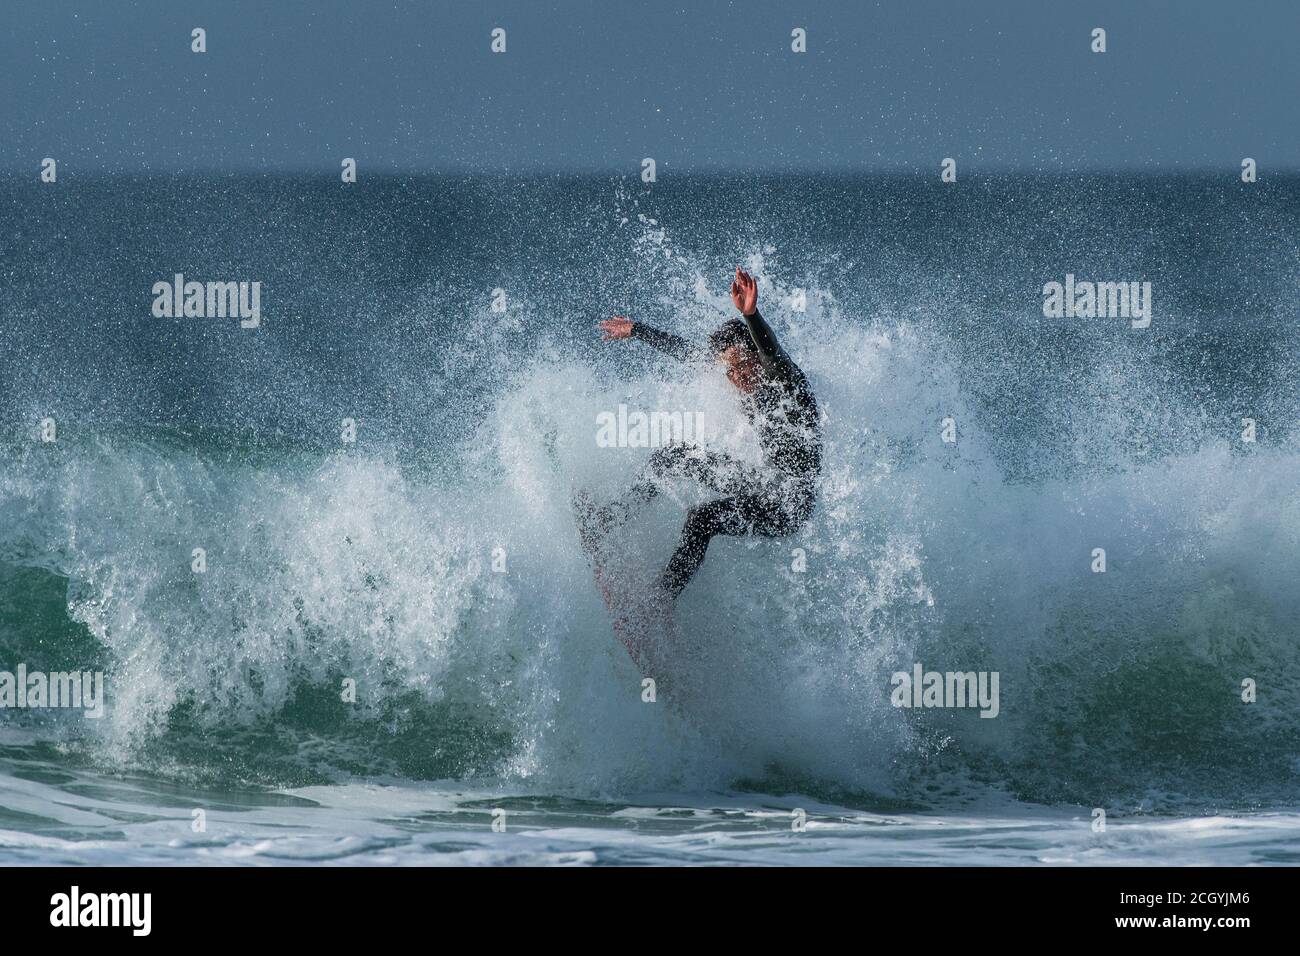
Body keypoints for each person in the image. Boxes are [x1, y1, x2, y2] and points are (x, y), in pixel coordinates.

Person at [588, 268, 821, 598]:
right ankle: (610, 520)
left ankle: (662, 599)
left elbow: (772, 351)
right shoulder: (737, 377)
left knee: (702, 519)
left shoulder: (784, 380)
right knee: (674, 455)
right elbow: (687, 353)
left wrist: (752, 316)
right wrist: (637, 330)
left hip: (790, 505)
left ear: (755, 356)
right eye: (730, 371)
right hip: (766, 482)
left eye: (743, 365)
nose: (738, 376)